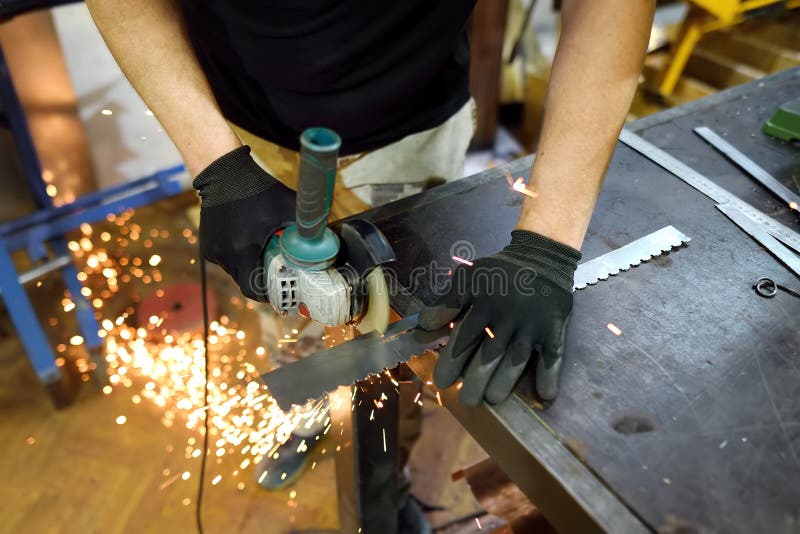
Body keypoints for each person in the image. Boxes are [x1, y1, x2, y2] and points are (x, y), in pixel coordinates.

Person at [86, 0, 655, 531]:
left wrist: (545, 245)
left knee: (401, 339)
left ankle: (388, 475)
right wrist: (221, 171)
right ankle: (306, 418)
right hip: (239, 130)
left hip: (411, 128)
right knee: (286, 311)